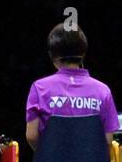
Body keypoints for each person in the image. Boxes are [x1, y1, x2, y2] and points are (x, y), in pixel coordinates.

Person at [25, 23, 118, 153]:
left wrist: (48, 158)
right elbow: (107, 140)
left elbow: (31, 136)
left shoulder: (39, 88)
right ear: (83, 54)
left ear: (52, 55)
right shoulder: (103, 91)